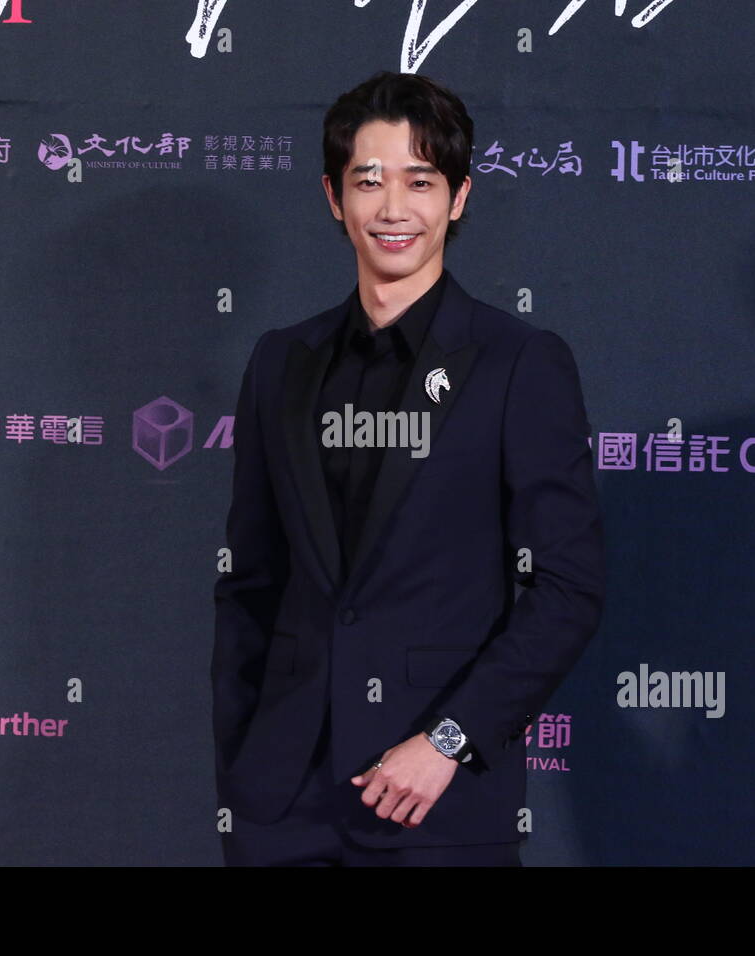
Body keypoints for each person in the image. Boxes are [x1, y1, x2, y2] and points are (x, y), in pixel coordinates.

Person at [212, 70, 605, 866]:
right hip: (281, 805)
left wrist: (448, 742)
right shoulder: (280, 361)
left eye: (420, 181)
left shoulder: (518, 362)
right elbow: (251, 580)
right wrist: (242, 768)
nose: (394, 210)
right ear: (334, 198)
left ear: (457, 198)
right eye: (370, 182)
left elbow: (568, 588)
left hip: (438, 800)